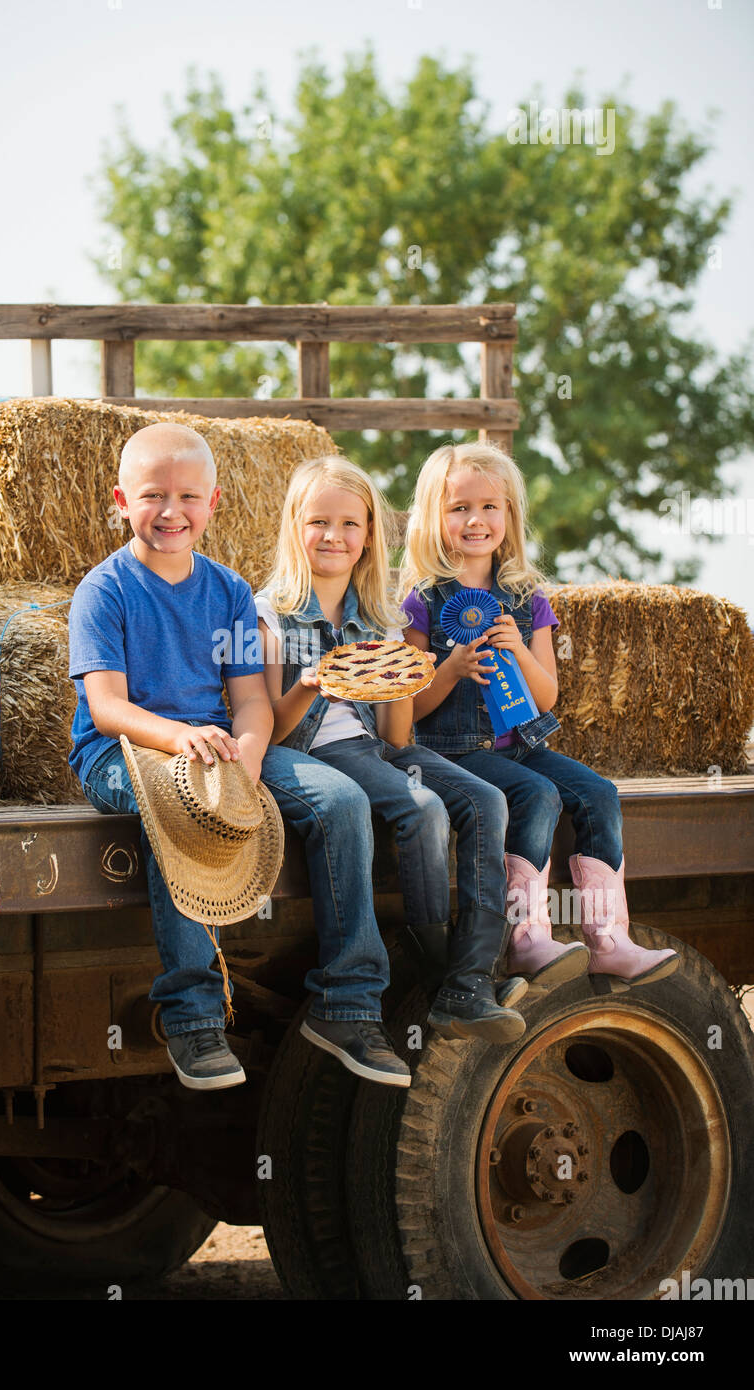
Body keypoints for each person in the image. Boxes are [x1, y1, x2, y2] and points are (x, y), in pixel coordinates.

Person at [68, 422, 410, 1091]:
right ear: (120, 500)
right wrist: (181, 742)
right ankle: (194, 1017)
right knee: (181, 804)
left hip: (222, 748)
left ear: (214, 502)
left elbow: (251, 701)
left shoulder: (226, 591)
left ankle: (348, 1004)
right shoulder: (104, 591)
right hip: (126, 752)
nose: (172, 512)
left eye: (188, 496)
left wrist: (248, 759)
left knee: (341, 801)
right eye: (153, 496)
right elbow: (107, 707)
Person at [255, 453, 530, 1044]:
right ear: (294, 527)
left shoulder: (378, 617)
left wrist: (409, 676)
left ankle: (471, 978)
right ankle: (438, 973)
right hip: (315, 755)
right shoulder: (268, 616)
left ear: (370, 536)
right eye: (319, 522)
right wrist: (309, 684)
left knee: (486, 802)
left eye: (351, 524)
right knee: (425, 810)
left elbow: (397, 739)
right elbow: (269, 734)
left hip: (372, 749)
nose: (335, 536)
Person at [399, 441, 679, 993]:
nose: (475, 520)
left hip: (523, 743)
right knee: (536, 795)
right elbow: (407, 712)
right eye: (458, 508)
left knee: (599, 792)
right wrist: (451, 669)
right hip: (453, 750)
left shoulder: (528, 600)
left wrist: (521, 651)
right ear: (434, 515)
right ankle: (525, 936)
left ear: (509, 515)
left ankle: (609, 940)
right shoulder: (422, 602)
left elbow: (547, 697)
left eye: (489, 507)